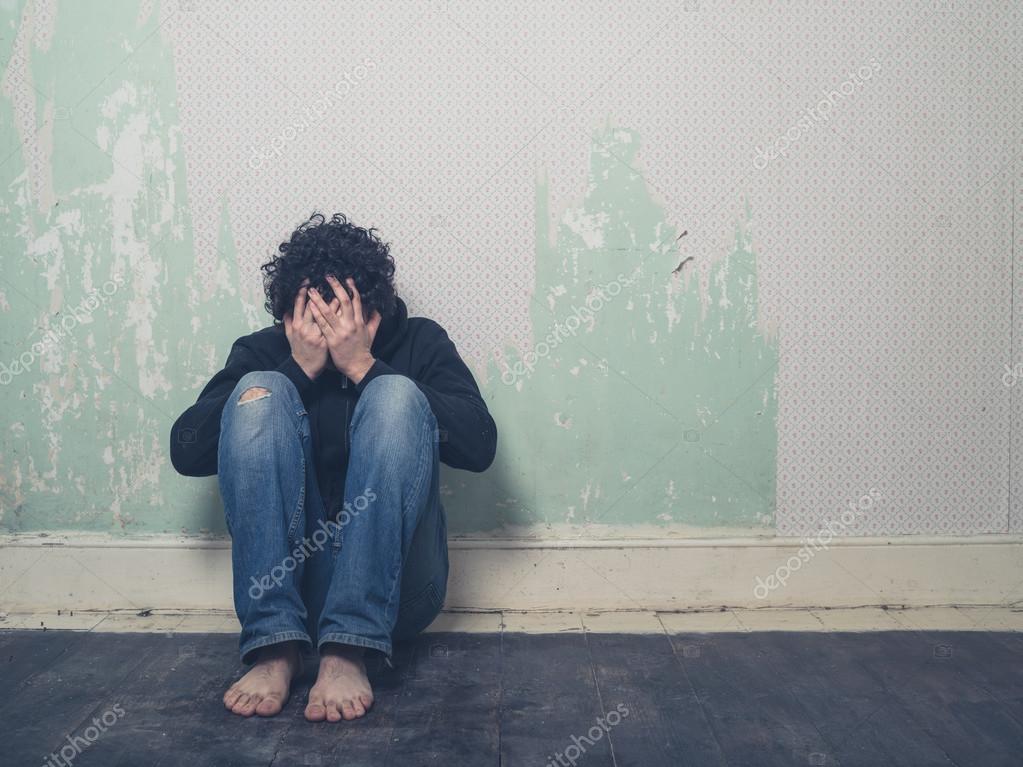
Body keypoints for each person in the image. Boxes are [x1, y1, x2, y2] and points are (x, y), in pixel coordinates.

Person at [169, 213, 497, 721]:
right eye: (310, 311)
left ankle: (350, 648)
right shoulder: (265, 351)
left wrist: (364, 366)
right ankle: (274, 646)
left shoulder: (420, 342)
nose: (326, 326)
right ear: (288, 311)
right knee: (260, 390)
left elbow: (479, 446)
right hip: (296, 590)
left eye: (340, 310)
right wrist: (295, 369)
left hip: (400, 590)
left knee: (394, 393)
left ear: (373, 310)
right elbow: (186, 450)